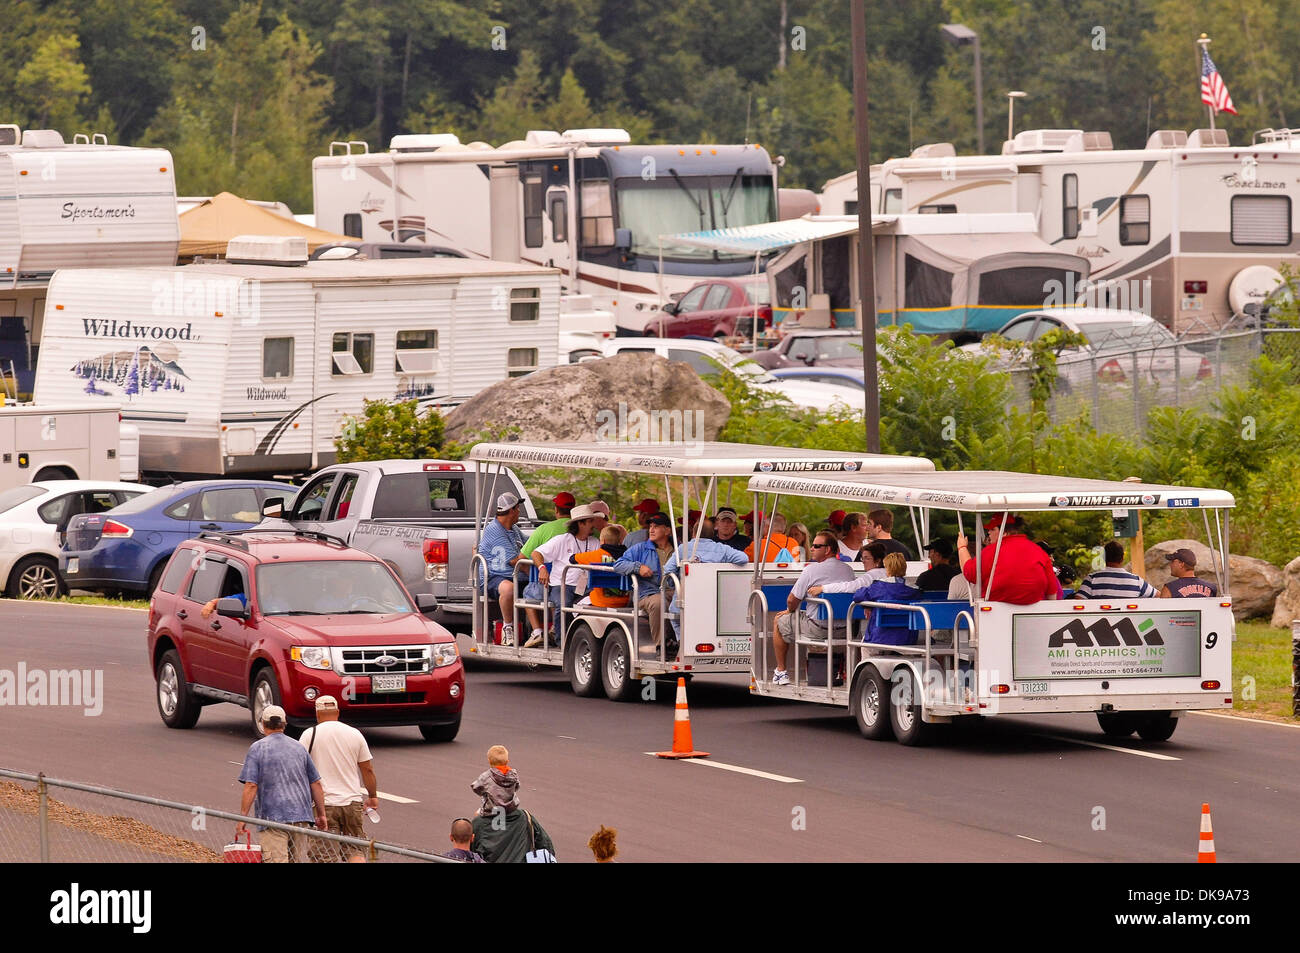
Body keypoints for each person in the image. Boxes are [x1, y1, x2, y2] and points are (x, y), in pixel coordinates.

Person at [236, 705, 327, 863]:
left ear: (263, 724)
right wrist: (321, 814)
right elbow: (316, 783)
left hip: (272, 818)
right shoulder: (299, 747)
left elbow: (251, 785)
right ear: (284, 724)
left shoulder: (258, 748)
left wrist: (243, 818)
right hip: (300, 817)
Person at [299, 695, 378, 863]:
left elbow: (299, 768)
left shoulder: (309, 735)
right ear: (338, 712)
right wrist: (372, 796)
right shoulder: (354, 734)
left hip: (324, 804)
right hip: (353, 802)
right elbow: (367, 769)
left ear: (317, 713)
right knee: (355, 849)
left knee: (324, 853)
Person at [771, 531, 855, 686]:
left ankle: (781, 671)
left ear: (828, 549)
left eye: (817, 546)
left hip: (819, 628)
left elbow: (792, 599)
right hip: (847, 628)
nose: (813, 548)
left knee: (779, 620)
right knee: (806, 615)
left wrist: (790, 611)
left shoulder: (811, 570)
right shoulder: (848, 570)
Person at [528, 503, 601, 646]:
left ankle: (586, 641)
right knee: (564, 604)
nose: (594, 524)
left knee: (596, 603)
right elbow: (536, 553)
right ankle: (562, 643)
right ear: (581, 523)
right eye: (590, 521)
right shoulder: (562, 540)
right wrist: (542, 568)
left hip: (586, 586)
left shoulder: (595, 542)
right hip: (561, 585)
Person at [662, 533, 749, 651]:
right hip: (715, 603)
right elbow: (743, 558)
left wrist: (673, 584)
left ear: (693, 533)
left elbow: (668, 570)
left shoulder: (683, 549)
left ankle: (683, 644)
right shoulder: (722, 549)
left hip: (687, 603)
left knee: (675, 615)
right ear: (713, 532)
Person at [609, 513, 676, 651]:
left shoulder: (679, 549)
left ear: (668, 531)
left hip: (674, 592)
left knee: (689, 601)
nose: (651, 529)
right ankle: (662, 646)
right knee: (659, 602)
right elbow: (618, 565)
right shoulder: (640, 548)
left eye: (656, 527)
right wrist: (638, 568)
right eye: (650, 526)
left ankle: (683, 644)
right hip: (648, 594)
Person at [957, 514, 1057, 604]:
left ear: (1004, 533)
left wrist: (962, 548)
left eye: (992, 529)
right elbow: (1052, 591)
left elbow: (970, 573)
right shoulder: (1038, 550)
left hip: (997, 610)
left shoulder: (992, 550)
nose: (988, 533)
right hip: (1033, 610)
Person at [478, 491, 528, 646]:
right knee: (509, 589)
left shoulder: (513, 529)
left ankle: (539, 631)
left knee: (540, 588)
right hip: (494, 576)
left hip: (515, 575)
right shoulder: (495, 530)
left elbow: (529, 543)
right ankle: (508, 628)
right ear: (512, 510)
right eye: (518, 509)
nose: (519, 512)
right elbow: (515, 561)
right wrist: (538, 569)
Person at [854, 552, 921, 645]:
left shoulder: (879, 587)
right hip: (907, 639)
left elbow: (858, 595)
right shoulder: (915, 591)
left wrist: (867, 605)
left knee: (865, 648)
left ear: (887, 568)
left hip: (880, 638)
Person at [571, 524, 631, 608]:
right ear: (619, 540)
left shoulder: (596, 555)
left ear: (603, 541)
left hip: (601, 601)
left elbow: (572, 559)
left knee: (575, 602)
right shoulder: (628, 556)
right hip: (624, 601)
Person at [1077, 541, 1157, 598]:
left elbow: (1078, 600)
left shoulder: (1092, 579)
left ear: (1103, 558)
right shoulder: (1137, 581)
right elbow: (1159, 596)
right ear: (1122, 558)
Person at [808, 542, 888, 598]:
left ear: (878, 560)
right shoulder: (890, 573)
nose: (863, 561)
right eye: (862, 558)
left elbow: (850, 586)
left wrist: (823, 588)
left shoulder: (871, 576)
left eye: (866, 558)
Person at [520, 491, 576, 557]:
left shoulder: (543, 529)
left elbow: (523, 557)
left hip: (548, 567)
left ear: (556, 510)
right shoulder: (584, 528)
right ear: (574, 509)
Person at [471, 744, 520, 817]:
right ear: (507, 761)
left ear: (489, 761)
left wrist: (483, 793)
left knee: (476, 816)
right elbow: (517, 787)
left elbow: (475, 787)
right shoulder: (514, 775)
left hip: (491, 811)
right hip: (511, 809)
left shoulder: (486, 776)